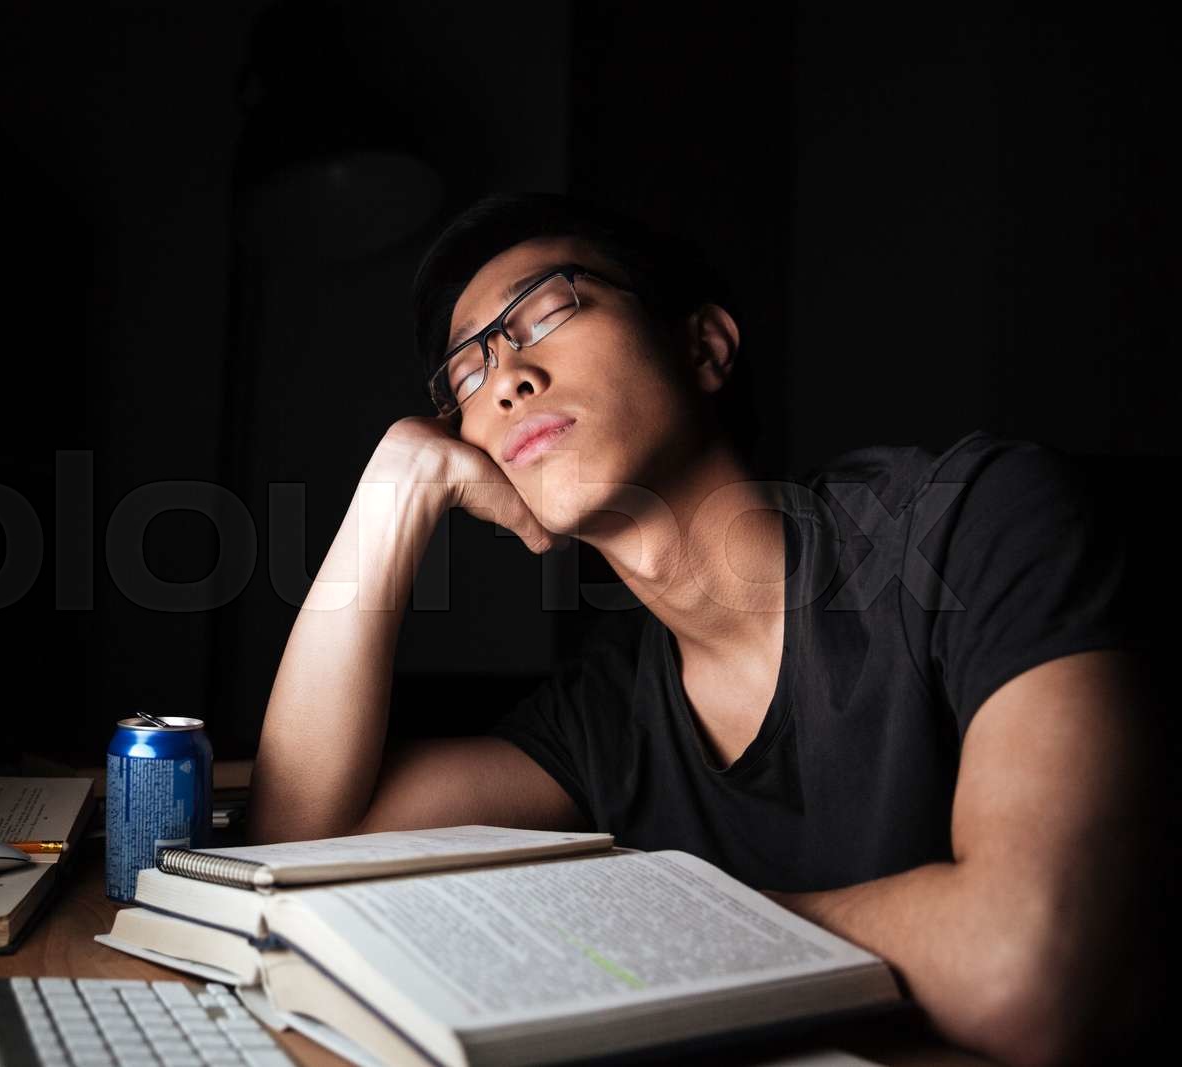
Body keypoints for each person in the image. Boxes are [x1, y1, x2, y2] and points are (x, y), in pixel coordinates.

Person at [246, 193, 1164, 1066]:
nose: (509, 381)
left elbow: (1036, 968)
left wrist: (679, 923)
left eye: (546, 314)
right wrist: (392, 490)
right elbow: (294, 847)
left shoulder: (977, 522)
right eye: (468, 373)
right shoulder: (606, 716)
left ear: (704, 346)